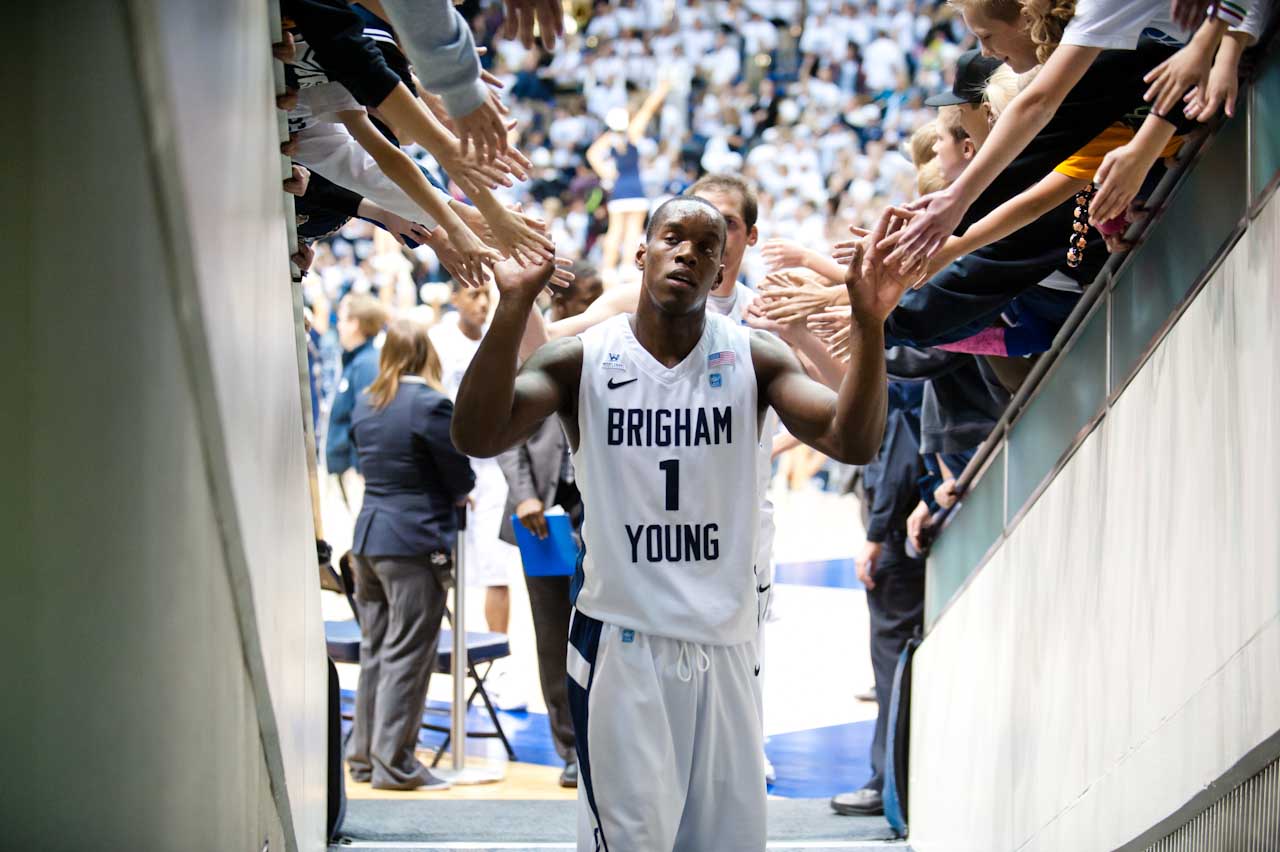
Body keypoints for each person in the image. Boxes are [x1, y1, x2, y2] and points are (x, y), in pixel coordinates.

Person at [451, 198, 922, 851]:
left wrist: (869, 323)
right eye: (673, 238)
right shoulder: (581, 359)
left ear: (722, 270)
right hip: (623, 644)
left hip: (727, 647)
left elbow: (854, 439)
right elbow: (476, 434)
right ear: (641, 254)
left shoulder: (755, 357)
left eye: (706, 246)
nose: (688, 253)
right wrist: (510, 306)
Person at [345, 317, 475, 791]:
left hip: (368, 540)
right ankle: (396, 763)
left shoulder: (367, 403)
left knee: (375, 651)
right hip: (415, 542)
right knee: (408, 654)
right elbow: (459, 475)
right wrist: (462, 492)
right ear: (427, 353)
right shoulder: (430, 404)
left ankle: (363, 757)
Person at [496, 265, 604, 789]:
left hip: (598, 518)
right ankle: (568, 747)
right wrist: (524, 497)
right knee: (551, 636)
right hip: (540, 519)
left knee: (604, 631)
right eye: (577, 302)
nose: (585, 312)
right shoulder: (532, 351)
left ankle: (601, 740)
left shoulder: (610, 353)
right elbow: (505, 434)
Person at [832, 381, 928, 818]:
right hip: (899, 529)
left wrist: (875, 535)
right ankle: (890, 778)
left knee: (891, 664)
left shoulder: (906, 367)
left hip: (896, 539)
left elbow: (898, 456)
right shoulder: (901, 366)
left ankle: (887, 781)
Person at [429, 283, 526, 708]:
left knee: (496, 570)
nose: (484, 303)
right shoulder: (437, 341)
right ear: (455, 298)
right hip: (445, 472)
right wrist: (449, 476)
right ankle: (435, 663)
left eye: (488, 294)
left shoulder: (500, 338)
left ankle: (496, 666)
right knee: (437, 573)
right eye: (474, 294)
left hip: (493, 471)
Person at [586, 79, 671, 283]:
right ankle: (626, 266)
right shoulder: (632, 134)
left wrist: (606, 172)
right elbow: (647, 110)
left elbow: (592, 154)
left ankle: (608, 268)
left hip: (619, 187)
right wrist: (661, 90)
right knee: (632, 230)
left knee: (615, 229)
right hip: (635, 187)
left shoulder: (609, 139)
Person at [326, 293, 388, 490]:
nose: (338, 326)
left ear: (355, 323)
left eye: (342, 319)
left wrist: (358, 468)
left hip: (356, 473)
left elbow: (367, 421)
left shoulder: (367, 364)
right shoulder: (356, 361)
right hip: (345, 472)